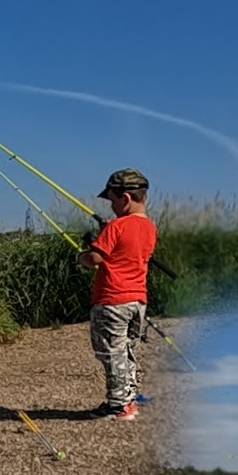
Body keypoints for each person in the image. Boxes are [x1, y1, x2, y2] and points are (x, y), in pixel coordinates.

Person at [76, 168, 156, 421]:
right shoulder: (149, 227)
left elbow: (95, 258)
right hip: (137, 301)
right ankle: (128, 400)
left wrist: (81, 256)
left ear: (126, 198)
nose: (111, 206)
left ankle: (119, 406)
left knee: (111, 353)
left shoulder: (116, 226)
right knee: (126, 351)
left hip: (112, 301)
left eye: (112, 200)